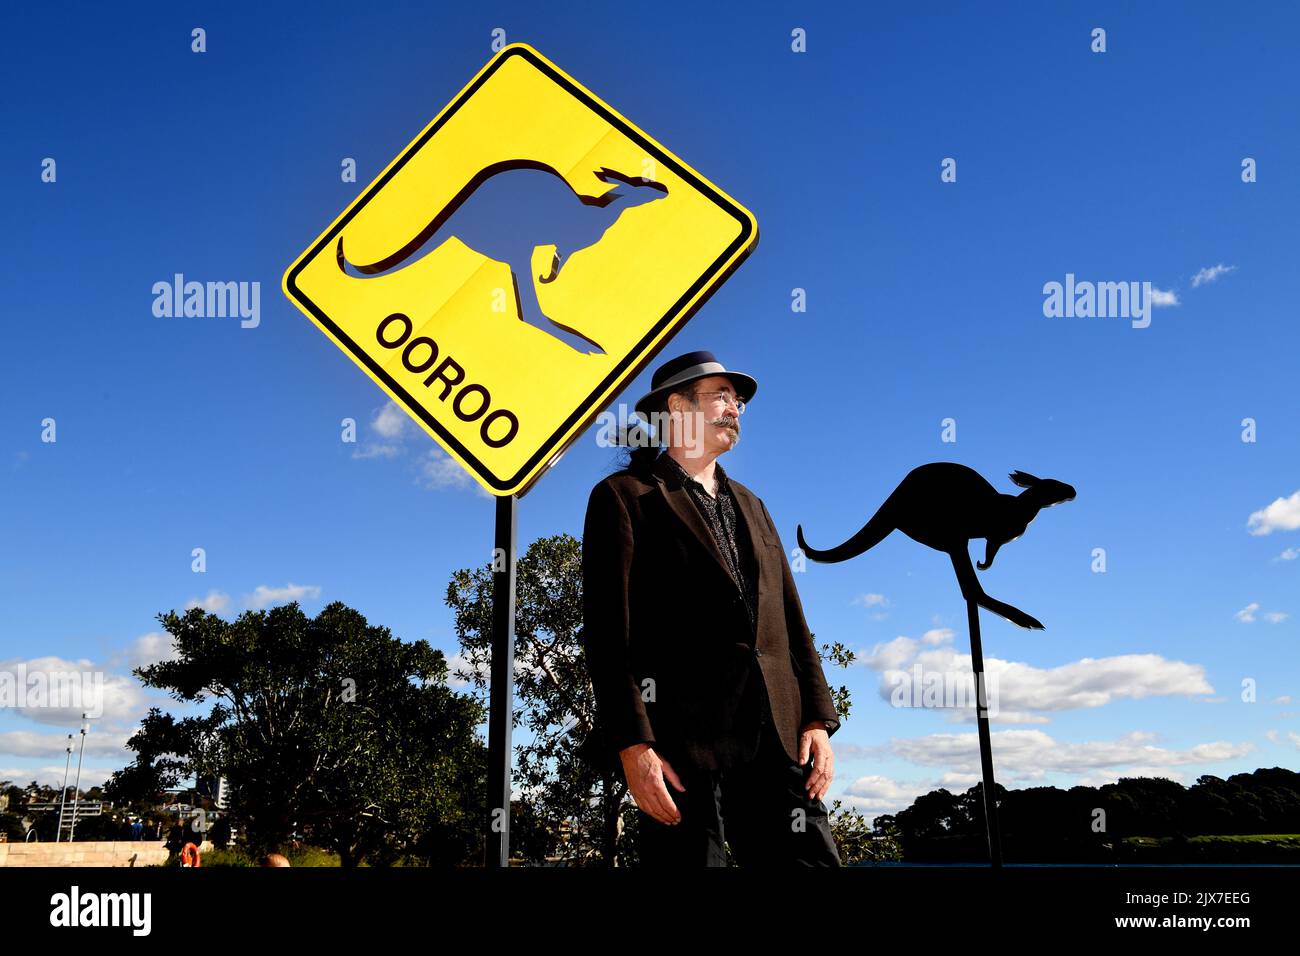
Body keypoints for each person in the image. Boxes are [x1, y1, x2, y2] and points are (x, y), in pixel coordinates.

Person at [581, 350, 842, 867]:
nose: (735, 407)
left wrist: (815, 718)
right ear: (677, 406)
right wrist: (634, 747)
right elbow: (609, 637)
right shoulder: (624, 497)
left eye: (737, 398)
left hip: (779, 743)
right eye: (721, 396)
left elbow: (792, 621)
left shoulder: (754, 504)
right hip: (681, 753)